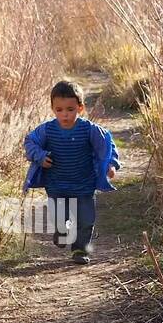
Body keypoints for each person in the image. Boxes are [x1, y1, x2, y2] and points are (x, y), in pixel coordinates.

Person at [22, 80, 121, 264]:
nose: (65, 114)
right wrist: (40, 156)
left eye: (70, 109)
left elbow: (107, 144)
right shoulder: (47, 129)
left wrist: (110, 164)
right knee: (60, 218)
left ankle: (80, 250)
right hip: (57, 185)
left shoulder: (89, 130)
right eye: (59, 110)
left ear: (80, 108)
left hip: (84, 184)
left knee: (86, 220)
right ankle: (62, 231)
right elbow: (30, 141)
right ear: (53, 109)